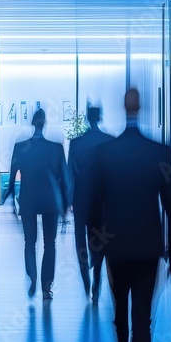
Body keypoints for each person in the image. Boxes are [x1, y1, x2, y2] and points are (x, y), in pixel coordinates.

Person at [91, 88, 171, 342]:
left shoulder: (106, 154)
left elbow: (94, 204)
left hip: (116, 249)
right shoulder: (160, 152)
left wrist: (97, 246)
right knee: (142, 322)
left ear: (122, 107)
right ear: (141, 107)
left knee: (121, 316)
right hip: (147, 250)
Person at [6, 108, 70, 299]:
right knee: (50, 243)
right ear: (45, 123)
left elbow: (12, 177)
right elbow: (65, 181)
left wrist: (11, 201)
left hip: (29, 200)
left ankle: (33, 277)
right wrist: (65, 207)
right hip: (51, 201)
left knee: (30, 242)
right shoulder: (56, 148)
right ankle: (46, 286)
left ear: (32, 124)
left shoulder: (21, 147)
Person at [68, 104, 114, 302]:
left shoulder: (76, 143)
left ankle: (85, 276)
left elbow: (70, 173)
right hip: (103, 201)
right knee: (99, 240)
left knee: (80, 239)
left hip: (81, 200)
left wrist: (67, 201)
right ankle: (96, 280)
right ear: (100, 117)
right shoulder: (109, 142)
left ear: (87, 118)